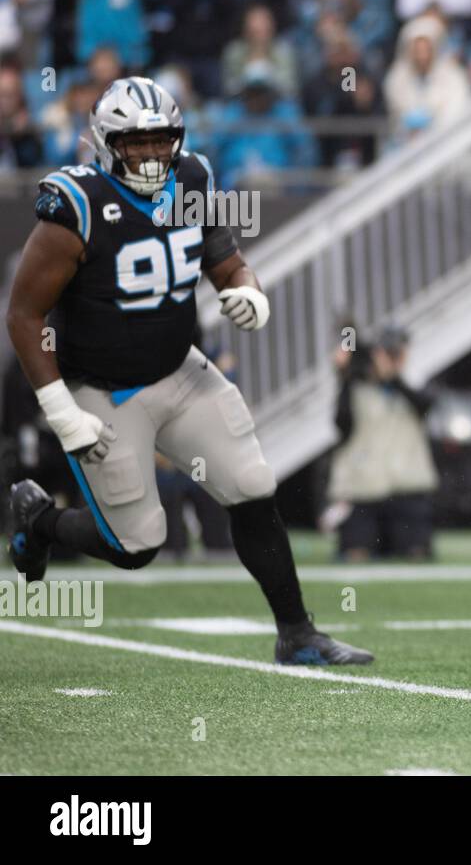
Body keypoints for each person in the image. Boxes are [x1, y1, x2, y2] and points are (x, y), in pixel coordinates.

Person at [5, 76, 372, 666]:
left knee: (252, 486)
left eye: (161, 140)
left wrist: (249, 291)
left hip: (180, 371)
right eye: (136, 142)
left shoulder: (194, 177)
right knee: (136, 545)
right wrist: (61, 411)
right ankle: (40, 520)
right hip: (105, 390)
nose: (151, 154)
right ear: (105, 144)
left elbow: (225, 261)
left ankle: (297, 633)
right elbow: (24, 315)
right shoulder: (75, 207)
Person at [328, 326, 438, 562]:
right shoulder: (356, 384)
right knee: (356, 554)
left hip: (407, 490)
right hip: (363, 489)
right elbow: (342, 425)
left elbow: (425, 404)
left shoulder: (417, 379)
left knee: (416, 554)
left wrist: (393, 377)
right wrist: (345, 377)